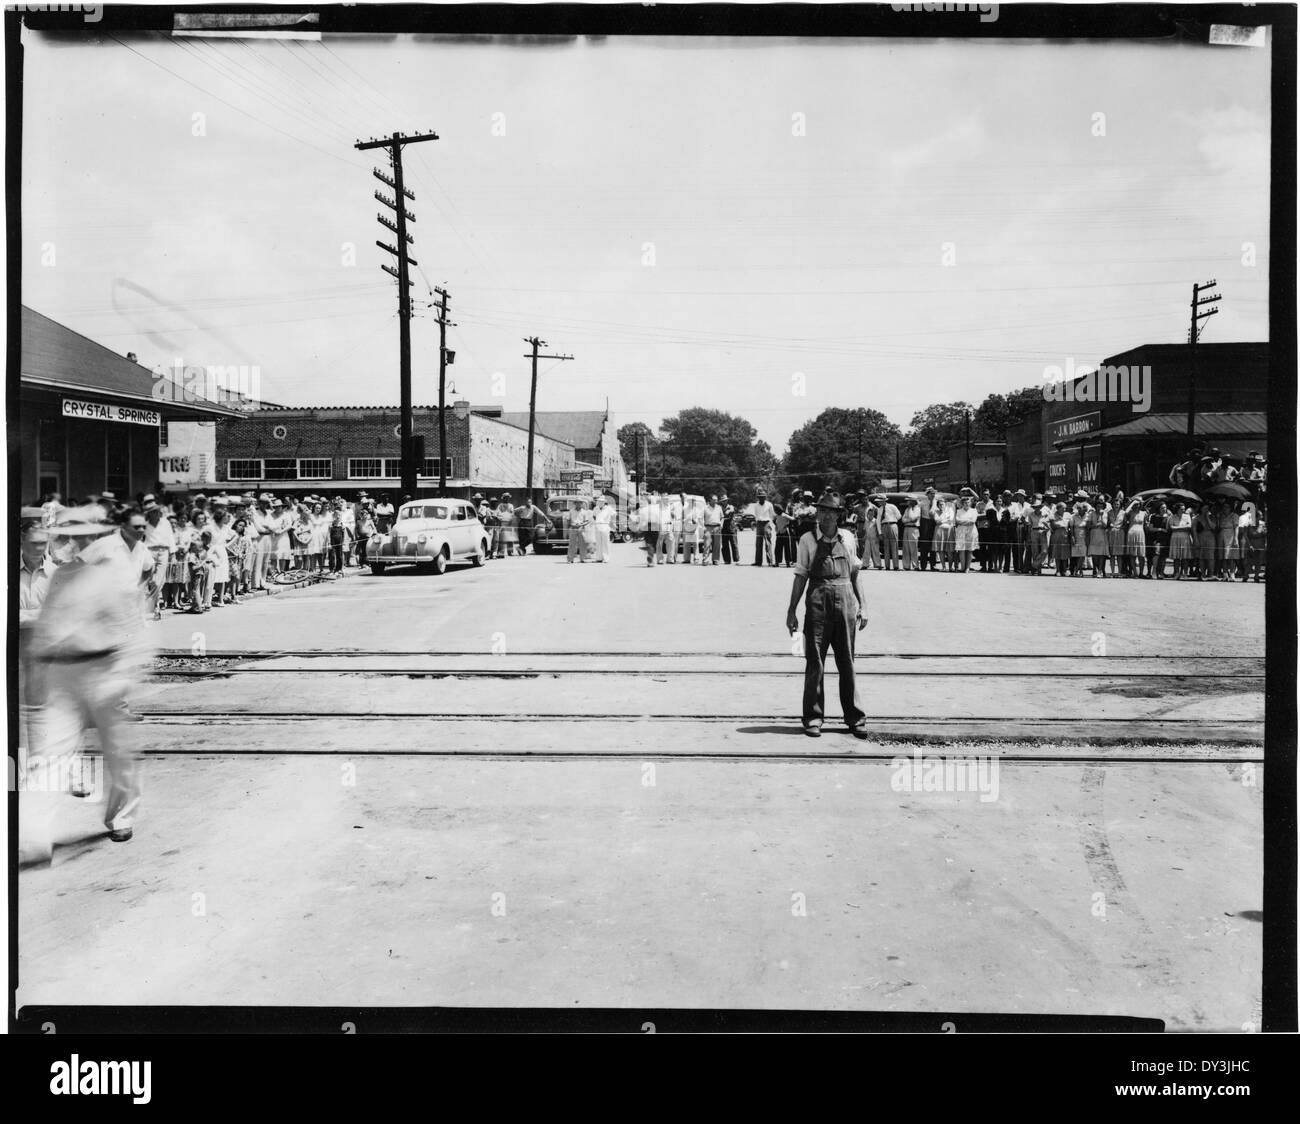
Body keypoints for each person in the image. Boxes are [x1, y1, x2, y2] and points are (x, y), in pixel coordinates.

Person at [26, 506, 150, 857]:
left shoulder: (116, 576)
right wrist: (38, 667)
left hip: (104, 669)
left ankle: (122, 817)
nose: (75, 543)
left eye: (82, 536)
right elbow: (47, 626)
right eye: (67, 537)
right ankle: (33, 837)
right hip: (61, 675)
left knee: (120, 753)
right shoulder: (62, 576)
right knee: (51, 755)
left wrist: (125, 674)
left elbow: (137, 630)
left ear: (97, 537)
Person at [785, 491, 868, 740]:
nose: (826, 516)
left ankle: (855, 718)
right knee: (814, 662)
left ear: (838, 514)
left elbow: (855, 573)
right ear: (817, 513)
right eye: (822, 511)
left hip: (845, 603)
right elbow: (800, 575)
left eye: (831, 511)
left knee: (847, 662)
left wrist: (864, 605)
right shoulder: (807, 540)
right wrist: (791, 611)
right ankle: (813, 717)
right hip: (817, 603)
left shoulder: (849, 538)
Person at [953, 496, 978, 573]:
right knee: (961, 550)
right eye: (965, 502)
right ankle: (962, 567)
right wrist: (967, 521)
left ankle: (967, 568)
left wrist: (963, 521)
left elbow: (973, 521)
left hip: (971, 532)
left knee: (970, 550)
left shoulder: (974, 511)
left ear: (970, 503)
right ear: (962, 504)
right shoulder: (959, 511)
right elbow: (957, 521)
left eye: (968, 502)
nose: (966, 504)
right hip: (961, 532)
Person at [752, 489, 776, 566]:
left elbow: (772, 515)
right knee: (758, 543)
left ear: (765, 497)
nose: (761, 498)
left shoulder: (769, 504)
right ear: (758, 497)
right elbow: (756, 515)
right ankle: (758, 562)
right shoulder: (756, 505)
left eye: (763, 497)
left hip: (766, 523)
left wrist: (769, 523)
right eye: (760, 497)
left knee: (767, 542)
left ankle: (770, 561)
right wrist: (757, 522)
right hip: (759, 523)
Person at [876, 495, 901, 570]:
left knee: (894, 545)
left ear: (884, 500)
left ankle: (896, 566)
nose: (879, 502)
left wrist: (892, 520)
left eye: (880, 501)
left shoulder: (892, 506)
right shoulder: (879, 509)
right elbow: (878, 521)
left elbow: (899, 516)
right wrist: (880, 532)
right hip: (884, 526)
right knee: (886, 546)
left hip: (892, 525)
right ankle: (887, 566)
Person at [918, 486, 937, 571]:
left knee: (933, 544)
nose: (933, 495)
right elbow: (919, 513)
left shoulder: (936, 502)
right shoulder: (922, 502)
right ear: (927, 494)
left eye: (934, 493)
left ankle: (933, 565)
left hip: (934, 522)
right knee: (924, 545)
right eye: (931, 493)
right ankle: (923, 565)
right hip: (925, 522)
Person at [900, 498, 921, 570]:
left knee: (913, 547)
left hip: (913, 528)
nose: (907, 502)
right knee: (906, 548)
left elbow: (914, 518)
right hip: (906, 528)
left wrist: (908, 520)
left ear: (913, 501)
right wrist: (909, 520)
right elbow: (903, 520)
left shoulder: (917, 509)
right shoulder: (907, 509)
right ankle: (906, 565)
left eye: (909, 501)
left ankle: (915, 565)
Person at [642, 494, 662, 566]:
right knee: (653, 544)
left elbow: (642, 519)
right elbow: (659, 519)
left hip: (646, 526)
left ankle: (650, 560)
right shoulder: (657, 509)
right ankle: (650, 560)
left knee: (649, 543)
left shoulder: (644, 509)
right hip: (655, 526)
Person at [703, 495, 723, 565]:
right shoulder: (705, 507)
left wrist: (721, 525)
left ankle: (715, 560)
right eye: (714, 500)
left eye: (716, 500)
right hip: (708, 527)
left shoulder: (719, 507)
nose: (716, 501)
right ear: (710, 500)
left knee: (717, 545)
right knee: (707, 544)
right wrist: (703, 527)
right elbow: (701, 518)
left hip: (717, 527)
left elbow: (722, 517)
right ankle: (705, 560)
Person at [720, 496, 738, 564]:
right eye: (723, 501)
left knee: (734, 543)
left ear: (727, 501)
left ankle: (736, 559)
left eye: (725, 500)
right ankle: (727, 560)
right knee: (725, 544)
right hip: (724, 527)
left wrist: (728, 511)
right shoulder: (720, 508)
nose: (724, 502)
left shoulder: (730, 506)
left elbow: (732, 510)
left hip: (731, 527)